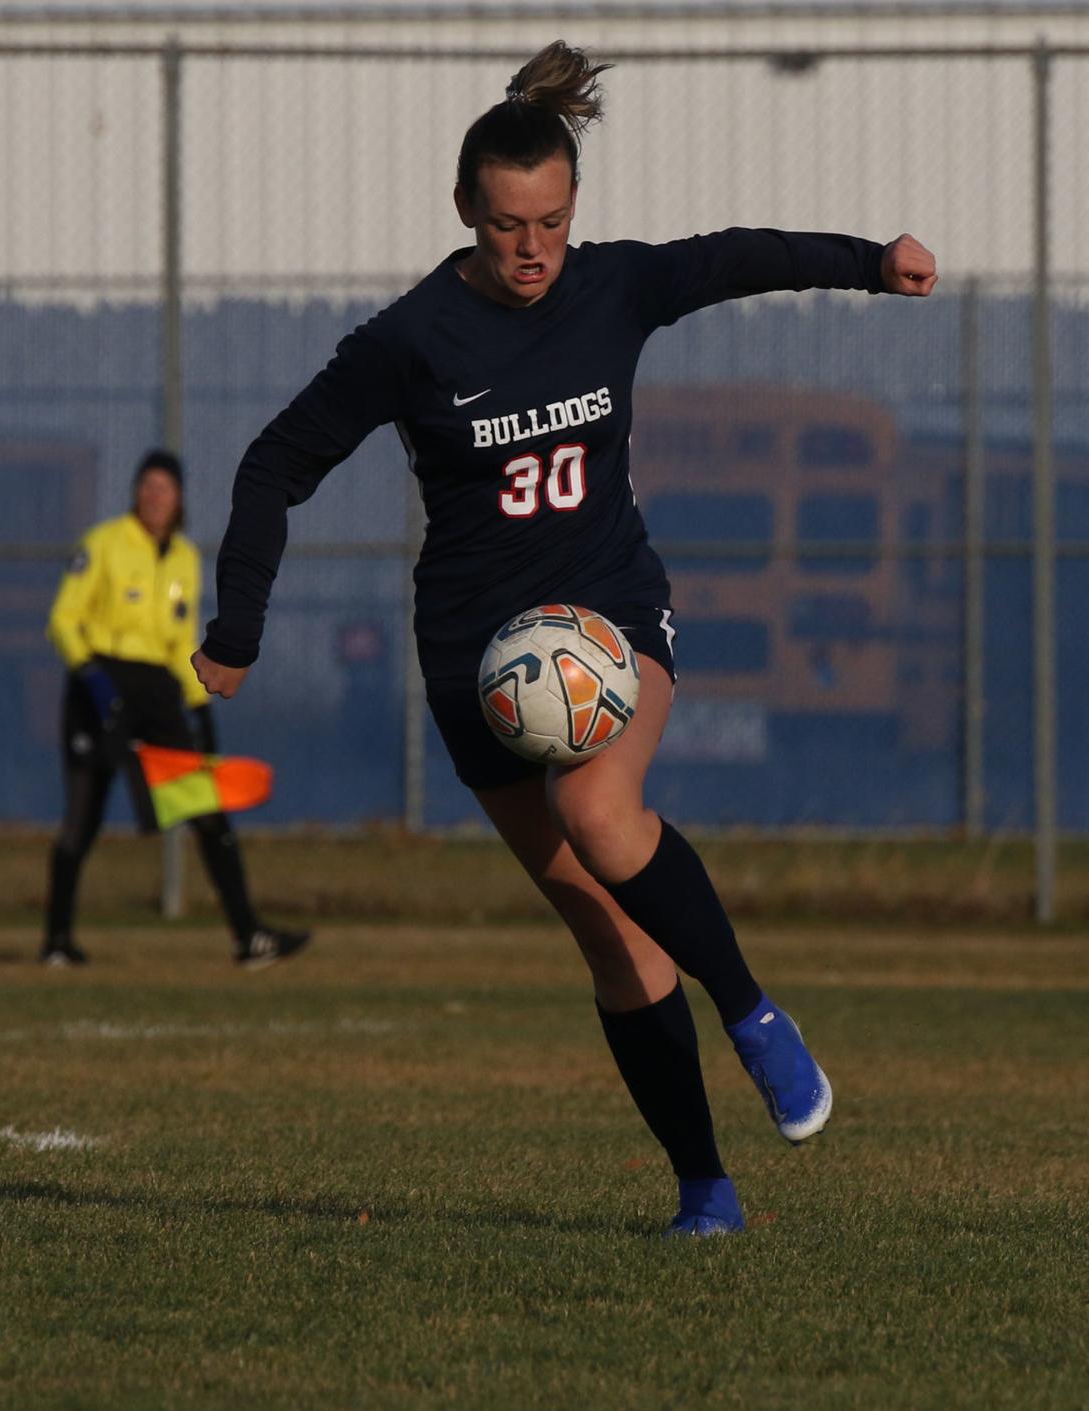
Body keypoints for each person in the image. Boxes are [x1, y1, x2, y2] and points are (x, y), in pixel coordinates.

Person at [191, 43, 937, 1234]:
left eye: (547, 220)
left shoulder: (612, 287)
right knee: (604, 925)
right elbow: (277, 461)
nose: (528, 248)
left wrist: (867, 262)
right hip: (474, 661)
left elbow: (735, 261)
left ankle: (752, 1012)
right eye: (503, 225)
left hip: (609, 609)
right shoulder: (412, 338)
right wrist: (240, 619)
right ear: (463, 213)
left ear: (573, 207)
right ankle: (705, 1187)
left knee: (601, 817)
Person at [42, 448, 311, 970]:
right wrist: (90, 673)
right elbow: (63, 618)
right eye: (146, 487)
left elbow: (180, 640)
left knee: (208, 811)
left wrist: (197, 710)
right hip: (100, 686)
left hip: (160, 692)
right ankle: (57, 942)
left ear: (179, 499)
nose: (154, 497)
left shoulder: (186, 556)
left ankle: (249, 937)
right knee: (82, 818)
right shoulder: (103, 544)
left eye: (164, 489)